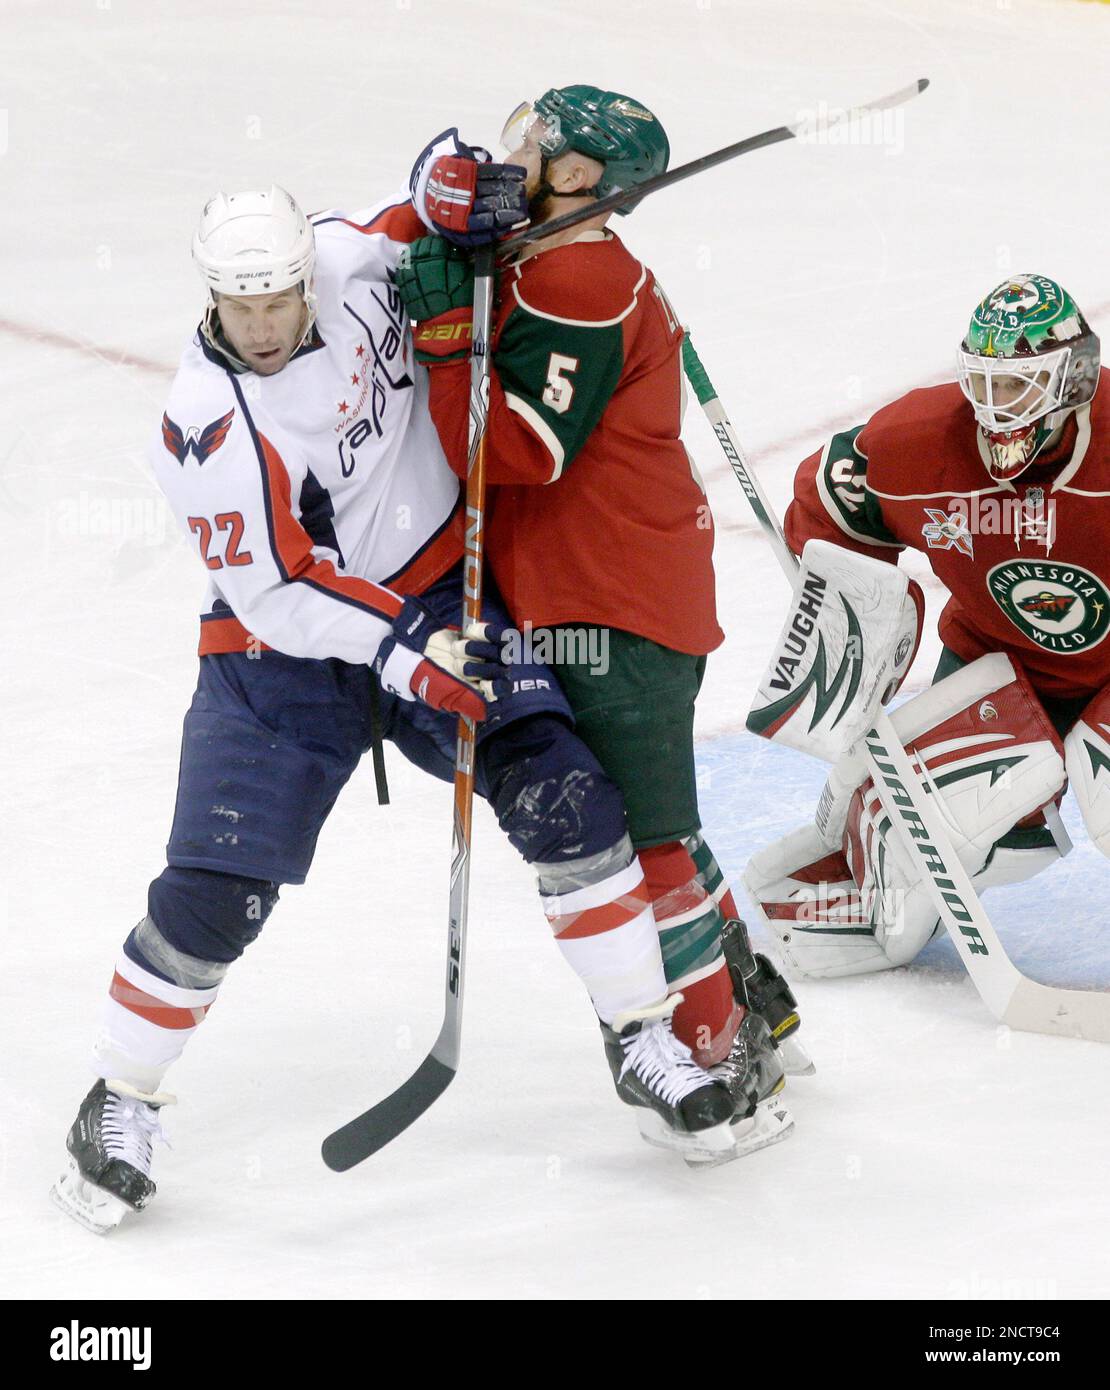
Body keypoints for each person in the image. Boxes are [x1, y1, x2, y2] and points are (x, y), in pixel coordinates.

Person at [51, 155, 747, 1234]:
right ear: (213, 299)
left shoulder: (335, 257)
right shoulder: (206, 427)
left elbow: (419, 201)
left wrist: (456, 181)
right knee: (214, 893)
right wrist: (409, 655)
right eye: (245, 306)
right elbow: (283, 590)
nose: (269, 321)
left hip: (437, 592)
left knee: (568, 797)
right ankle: (119, 1096)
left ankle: (639, 1034)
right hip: (282, 655)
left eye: (279, 298)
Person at [397, 86, 808, 1151]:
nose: (518, 150)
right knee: (659, 817)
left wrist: (449, 338)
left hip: (612, 605)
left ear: (580, 178)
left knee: (645, 839)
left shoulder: (582, 271)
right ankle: (752, 998)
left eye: (542, 145)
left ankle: (716, 1060)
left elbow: (517, 453)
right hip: (619, 587)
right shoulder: (563, 252)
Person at [746, 273, 1106, 978]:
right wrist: (851, 616)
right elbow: (830, 502)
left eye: (1020, 385)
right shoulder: (918, 442)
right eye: (986, 383)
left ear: (1074, 379)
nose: (997, 408)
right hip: (1004, 665)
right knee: (918, 846)